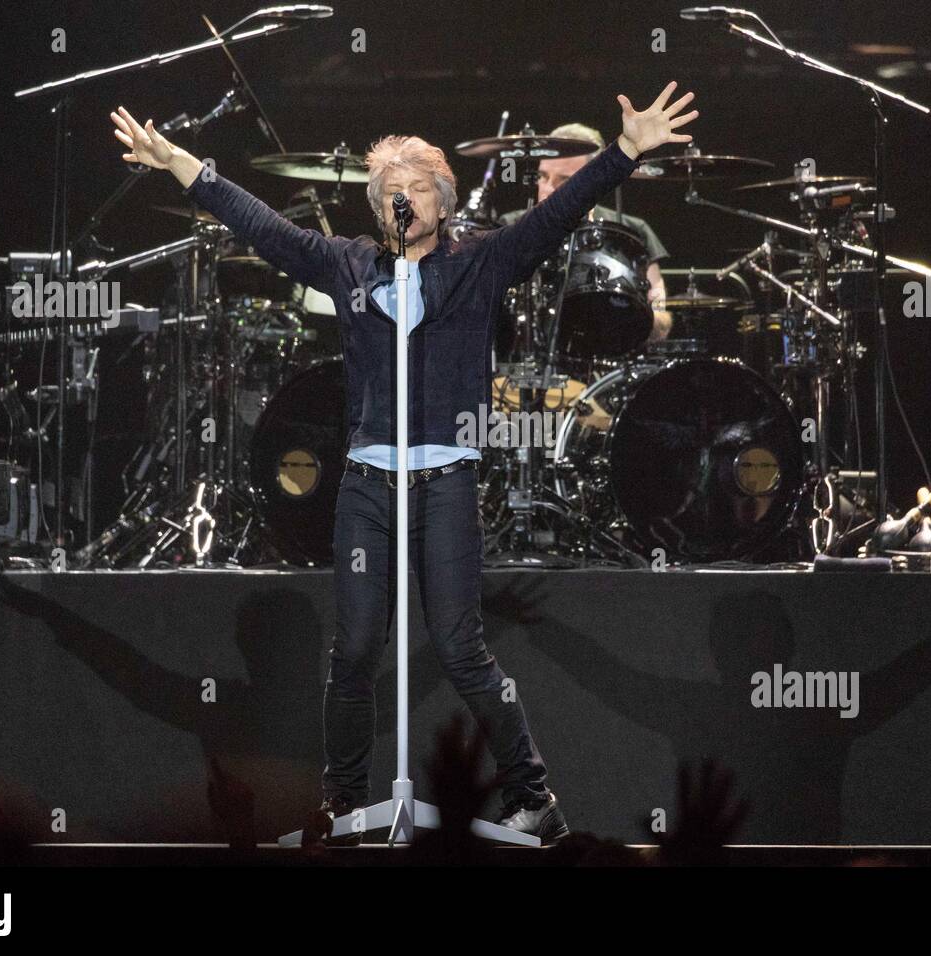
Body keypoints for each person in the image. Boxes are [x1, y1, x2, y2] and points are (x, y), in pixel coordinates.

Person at [110, 81, 698, 843]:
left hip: (445, 479)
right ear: (376, 204)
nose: (405, 197)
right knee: (353, 648)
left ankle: (536, 796)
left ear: (445, 203)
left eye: (419, 187)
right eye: (391, 188)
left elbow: (556, 216)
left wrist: (621, 152)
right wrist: (181, 163)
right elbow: (261, 225)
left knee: (459, 645)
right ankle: (344, 801)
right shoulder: (349, 267)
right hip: (366, 485)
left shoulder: (481, 264)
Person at [497, 122, 673, 344]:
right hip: (526, 360)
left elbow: (658, 309)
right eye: (543, 176)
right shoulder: (511, 225)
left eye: (564, 180)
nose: (548, 188)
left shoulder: (632, 230)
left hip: (607, 355)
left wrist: (641, 317)